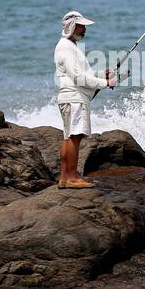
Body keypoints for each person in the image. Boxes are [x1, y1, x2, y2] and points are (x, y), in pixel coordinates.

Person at [54, 10, 116, 188]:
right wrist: (105, 83)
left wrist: (102, 75)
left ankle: (64, 178)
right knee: (75, 137)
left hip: (70, 96)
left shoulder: (69, 46)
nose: (84, 29)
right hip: (74, 98)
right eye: (81, 26)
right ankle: (73, 179)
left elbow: (83, 74)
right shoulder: (66, 47)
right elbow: (79, 78)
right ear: (71, 26)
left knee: (68, 137)